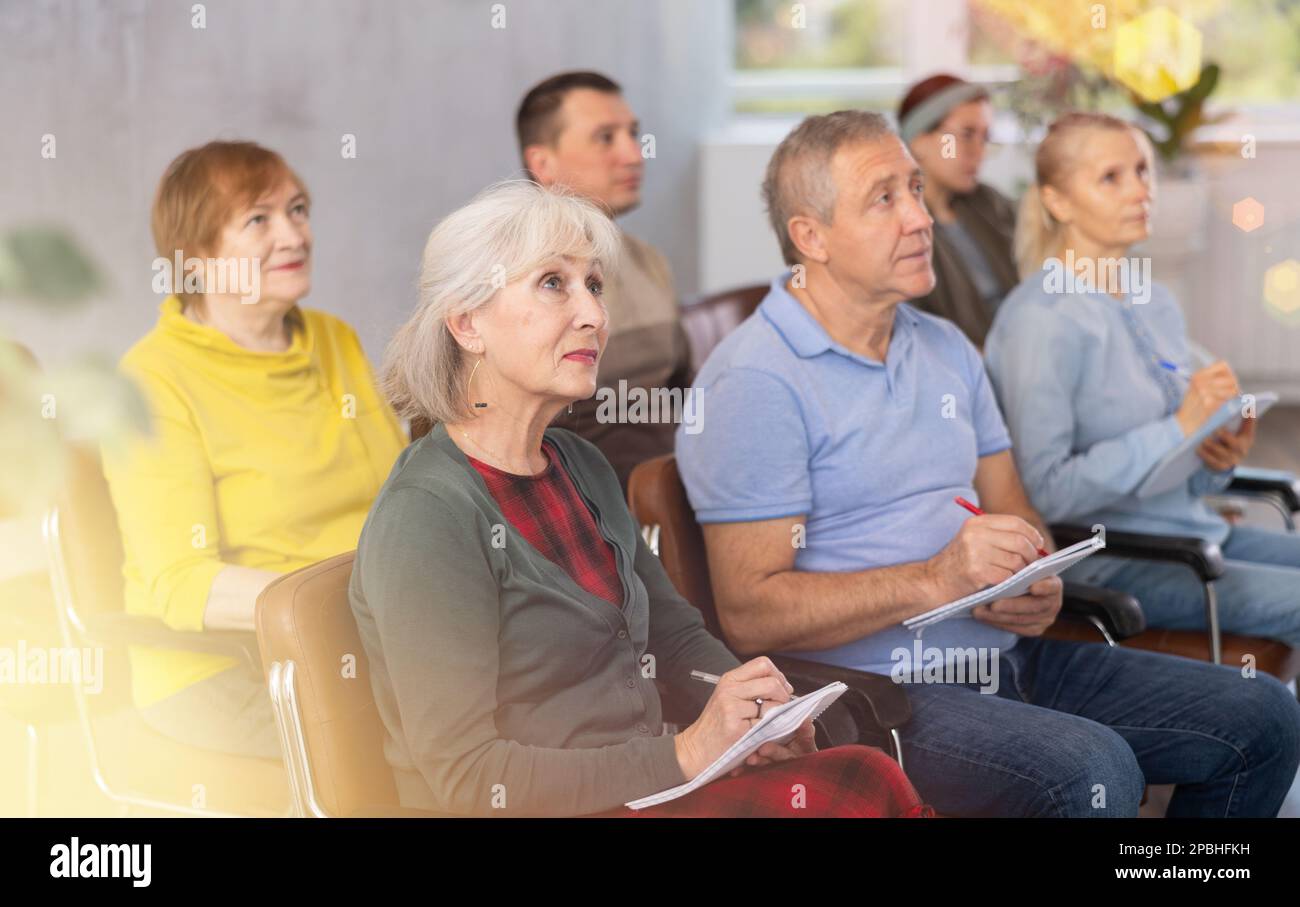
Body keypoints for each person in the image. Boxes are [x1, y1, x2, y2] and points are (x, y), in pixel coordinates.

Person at [675, 110, 1300, 817]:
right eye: (885, 199)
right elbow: (752, 611)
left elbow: (1018, 509)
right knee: (1097, 771)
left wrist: (1037, 581)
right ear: (809, 237)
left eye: (916, 189)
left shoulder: (945, 346)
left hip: (1006, 656)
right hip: (878, 693)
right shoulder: (754, 381)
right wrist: (937, 578)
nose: (920, 217)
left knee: (1264, 715)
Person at [349, 180, 931, 818]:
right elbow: (467, 780)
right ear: (467, 323)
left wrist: (751, 712)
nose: (594, 315)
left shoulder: (579, 464)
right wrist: (686, 753)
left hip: (642, 788)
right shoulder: (428, 513)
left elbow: (675, 639)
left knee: (860, 777)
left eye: (593, 285)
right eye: (553, 283)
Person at [101, 141, 407, 758]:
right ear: (197, 255)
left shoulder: (333, 338)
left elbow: (398, 495)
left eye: (298, 210)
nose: (294, 235)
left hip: (373, 642)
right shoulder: (150, 380)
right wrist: (351, 611)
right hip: (227, 668)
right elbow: (184, 583)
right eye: (259, 220)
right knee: (442, 750)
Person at [983, 111, 1300, 656]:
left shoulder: (1152, 300)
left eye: (1142, 171)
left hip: (1193, 533)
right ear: (1057, 202)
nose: (1140, 190)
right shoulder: (1040, 321)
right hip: (1118, 557)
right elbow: (1047, 492)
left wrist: (1215, 458)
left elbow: (1179, 469)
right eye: (1112, 177)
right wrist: (1181, 425)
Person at [516, 71, 693, 490]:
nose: (633, 155)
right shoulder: (519, 279)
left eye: (633, 134)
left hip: (678, 491)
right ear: (543, 163)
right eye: (605, 138)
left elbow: (680, 394)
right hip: (588, 507)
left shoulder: (649, 262)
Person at [899, 74, 1019, 348]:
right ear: (918, 141)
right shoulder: (897, 226)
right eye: (966, 135)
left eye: (985, 137)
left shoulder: (990, 203)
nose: (979, 151)